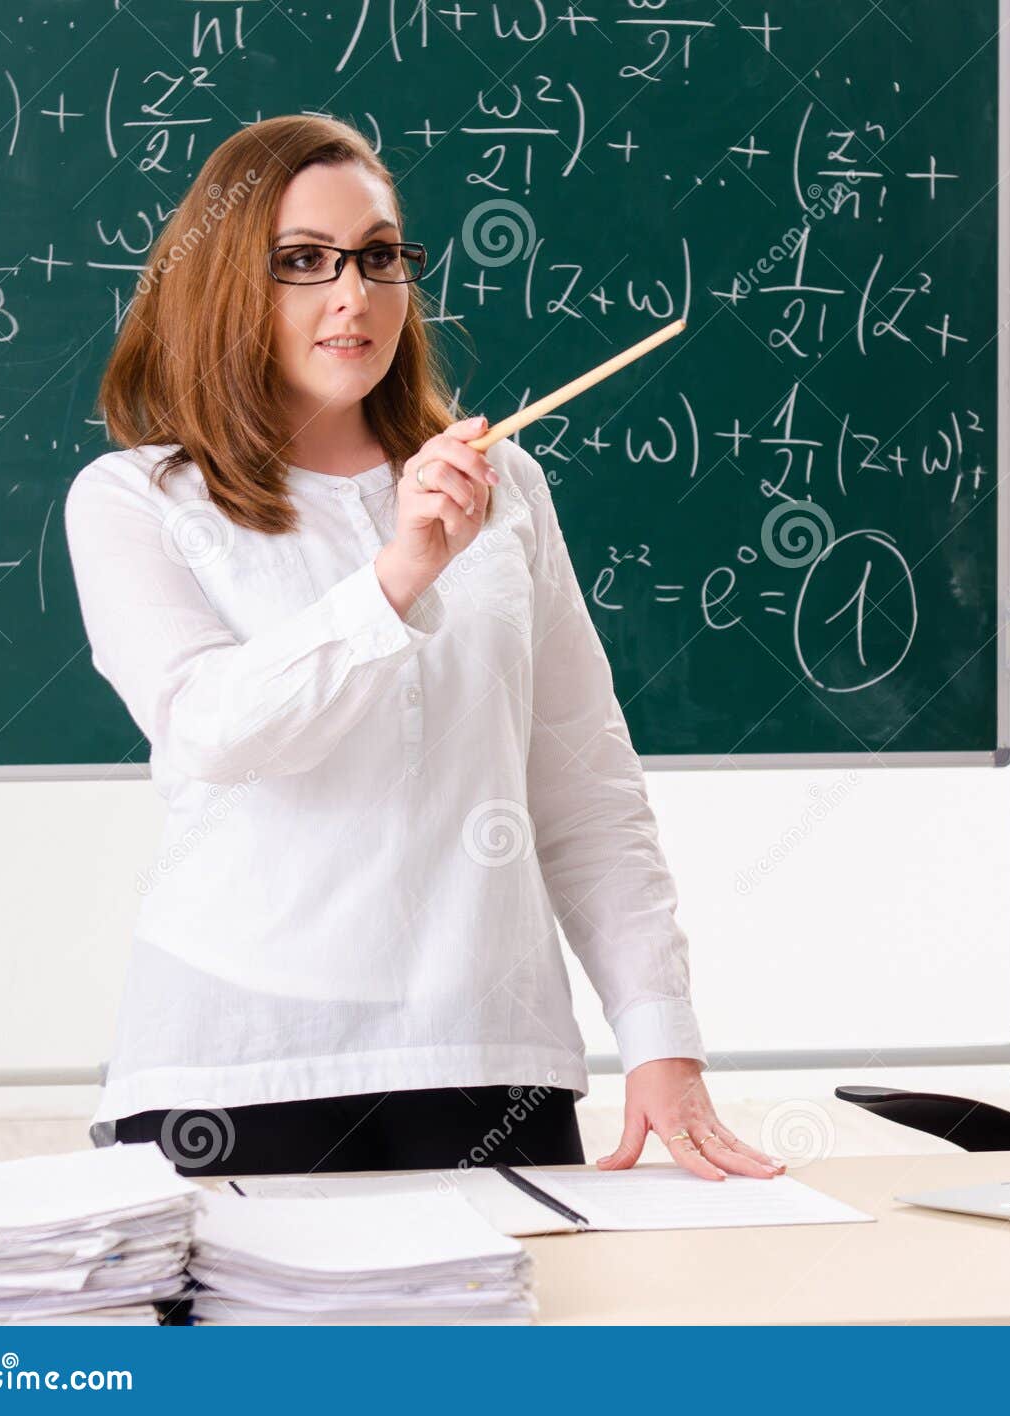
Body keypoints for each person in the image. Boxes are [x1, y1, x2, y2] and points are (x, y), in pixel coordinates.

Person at [63, 114, 782, 1183]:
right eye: (302, 262)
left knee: (505, 1355)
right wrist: (399, 573)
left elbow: (585, 786)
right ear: (225, 282)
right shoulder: (138, 496)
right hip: (238, 1071)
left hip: (489, 1060)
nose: (352, 295)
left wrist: (660, 1037)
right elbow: (210, 730)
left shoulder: (507, 487)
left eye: (380, 255)